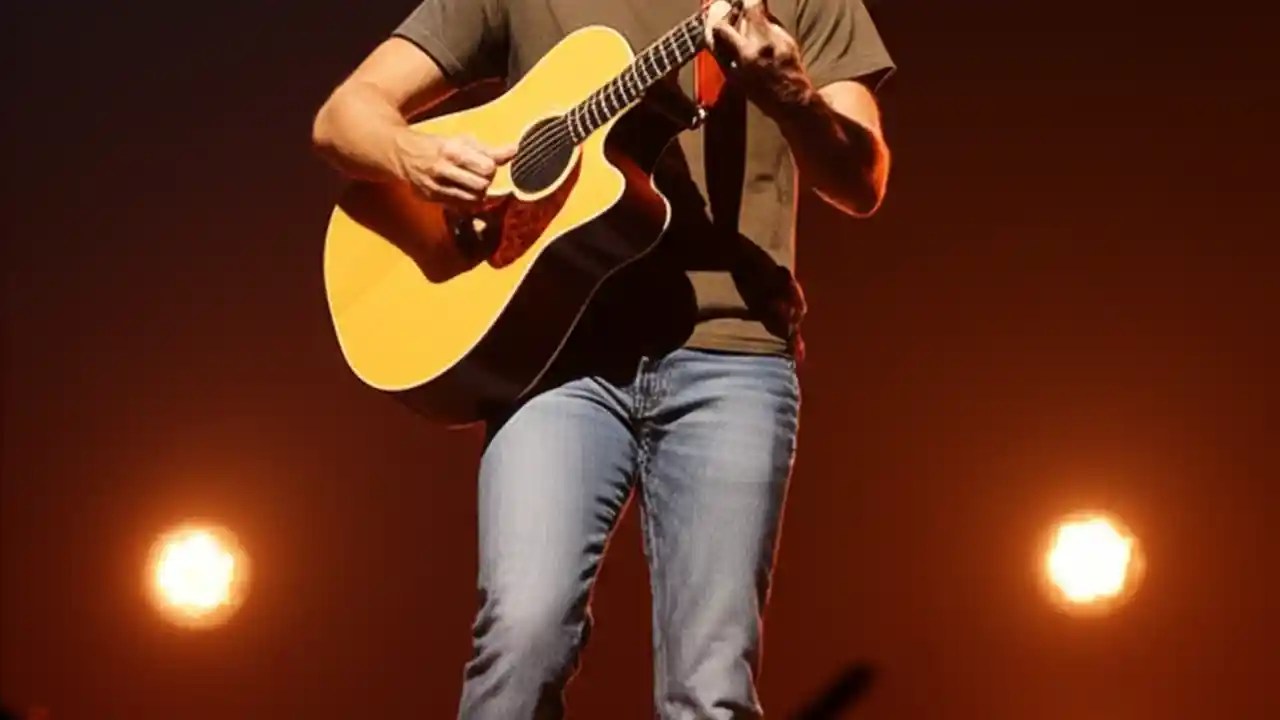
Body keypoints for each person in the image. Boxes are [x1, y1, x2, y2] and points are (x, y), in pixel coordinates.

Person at [312, 1, 894, 717]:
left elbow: (861, 182)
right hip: (555, 358)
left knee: (710, 687)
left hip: (732, 351)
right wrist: (418, 158)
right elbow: (343, 117)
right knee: (521, 638)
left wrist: (794, 96)